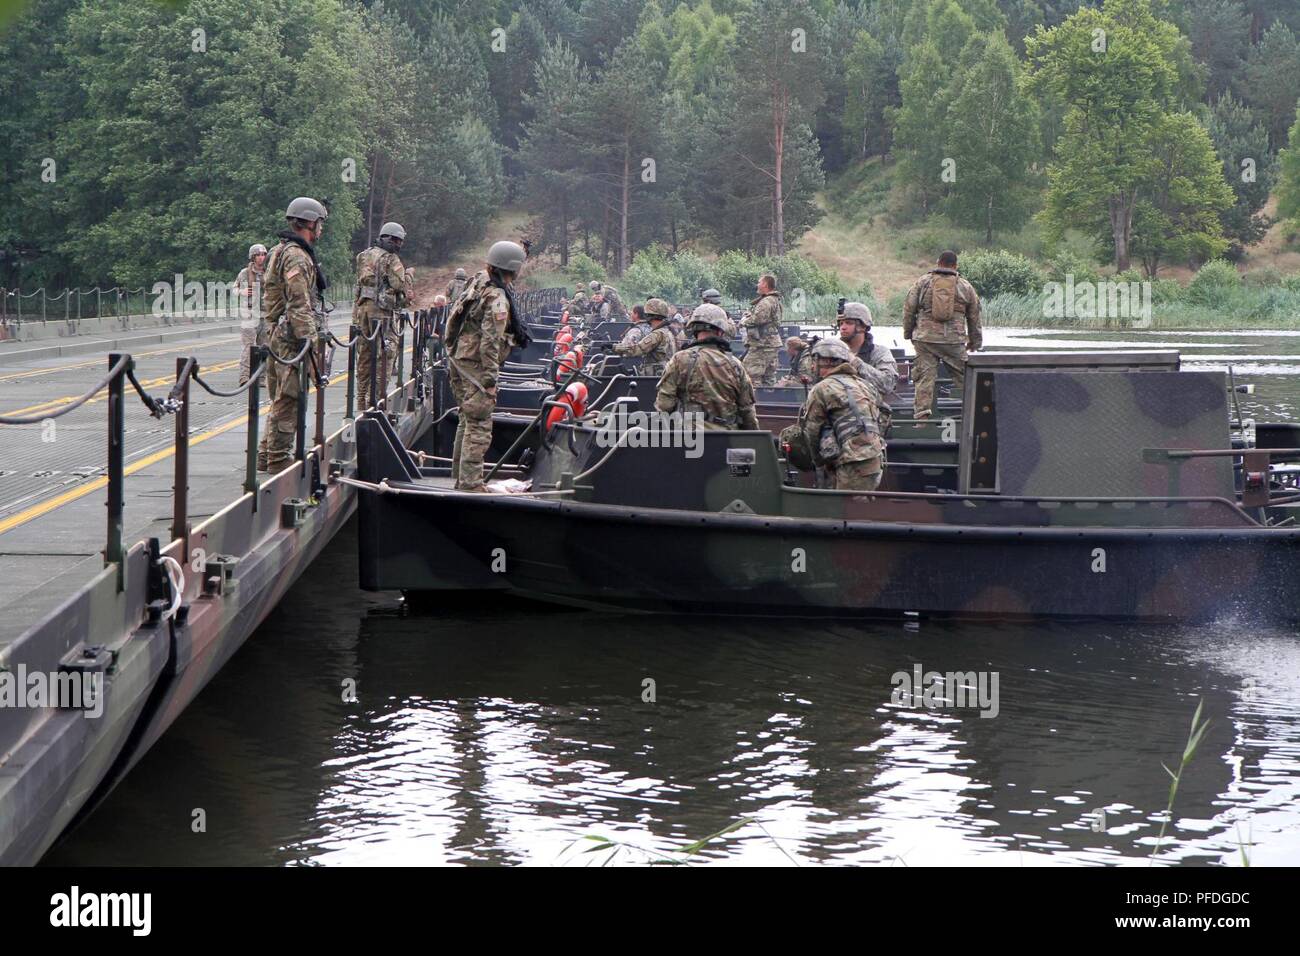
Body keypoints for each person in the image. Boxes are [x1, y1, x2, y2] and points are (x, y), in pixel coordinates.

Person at [441, 240, 528, 492]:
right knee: (479, 424)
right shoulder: (497, 298)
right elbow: (491, 340)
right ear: (512, 268)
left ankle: (459, 475)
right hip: (477, 365)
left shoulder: (479, 280)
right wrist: (490, 378)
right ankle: (470, 483)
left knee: (466, 419)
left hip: (459, 358)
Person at [258, 197, 329, 472]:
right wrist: (310, 344)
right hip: (290, 338)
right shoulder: (297, 256)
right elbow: (299, 303)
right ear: (310, 222)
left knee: (278, 398)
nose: (321, 229)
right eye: (319, 223)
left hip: (277, 333)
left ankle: (267, 453)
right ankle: (277, 458)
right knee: (289, 398)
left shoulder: (279, 249)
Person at [798, 338, 886, 491]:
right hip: (875, 460)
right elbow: (884, 416)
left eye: (814, 360)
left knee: (849, 510)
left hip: (851, 463)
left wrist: (818, 461)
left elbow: (811, 432)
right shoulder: (864, 384)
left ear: (824, 361)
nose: (812, 366)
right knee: (861, 505)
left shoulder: (822, 388)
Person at [903, 251, 982, 419]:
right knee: (967, 378)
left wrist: (909, 333)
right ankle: (979, 414)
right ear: (955, 266)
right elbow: (974, 316)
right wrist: (975, 342)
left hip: (925, 339)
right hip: (954, 341)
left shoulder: (922, 282)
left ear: (938, 262)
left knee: (924, 378)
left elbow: (909, 309)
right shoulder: (965, 286)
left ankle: (922, 421)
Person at [655, 304, 759, 430]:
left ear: (694, 330)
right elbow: (747, 412)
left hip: (691, 439)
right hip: (728, 440)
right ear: (720, 331)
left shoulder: (680, 359)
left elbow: (664, 405)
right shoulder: (735, 364)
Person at [353, 222, 414, 410]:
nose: (399, 245)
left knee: (364, 356)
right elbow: (399, 285)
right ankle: (377, 401)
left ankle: (361, 400)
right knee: (385, 357)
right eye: (398, 241)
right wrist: (409, 277)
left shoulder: (363, 256)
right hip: (382, 312)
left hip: (362, 310)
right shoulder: (391, 259)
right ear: (392, 239)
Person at [837, 301, 898, 399]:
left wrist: (855, 362)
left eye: (848, 323)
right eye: (841, 323)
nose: (843, 327)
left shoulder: (879, 352)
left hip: (870, 408)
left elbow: (887, 384)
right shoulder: (833, 351)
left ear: (863, 326)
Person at [740, 273, 783, 386]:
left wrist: (744, 321)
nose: (757, 285)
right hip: (771, 343)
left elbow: (758, 320)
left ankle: (757, 401)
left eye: (759, 282)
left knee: (751, 375)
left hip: (762, 344)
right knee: (769, 377)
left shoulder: (766, 301)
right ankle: (769, 399)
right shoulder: (774, 300)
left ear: (765, 284)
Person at [616, 297, 676, 375]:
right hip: (662, 374)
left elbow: (637, 349)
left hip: (653, 377)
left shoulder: (657, 334)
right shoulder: (667, 331)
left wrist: (615, 347)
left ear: (650, 315)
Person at [235, 243, 267, 385]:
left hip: (266, 315)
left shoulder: (270, 272)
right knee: (248, 347)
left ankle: (261, 378)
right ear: (253, 257)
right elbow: (234, 288)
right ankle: (244, 377)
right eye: (259, 255)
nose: (262, 257)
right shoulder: (244, 273)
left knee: (264, 347)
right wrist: (241, 291)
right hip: (249, 314)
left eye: (264, 254)